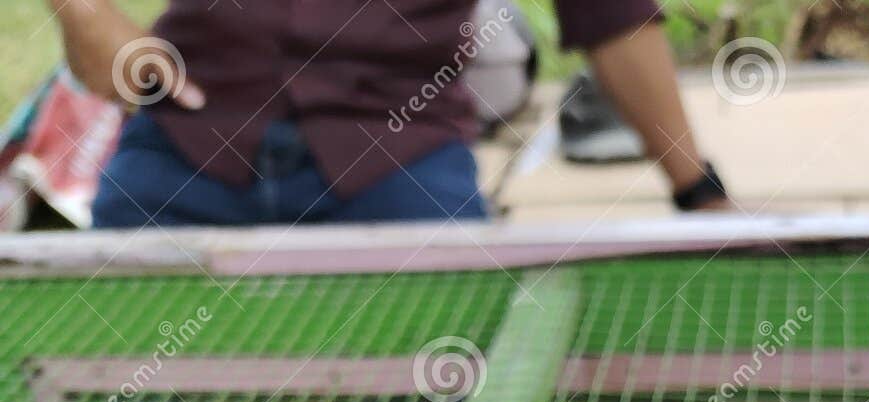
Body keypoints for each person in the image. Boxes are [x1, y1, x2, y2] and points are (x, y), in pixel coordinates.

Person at [46, 0, 730, 229]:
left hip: (395, 155)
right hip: (186, 140)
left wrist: (696, 189)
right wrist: (84, 13)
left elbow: (610, 16)